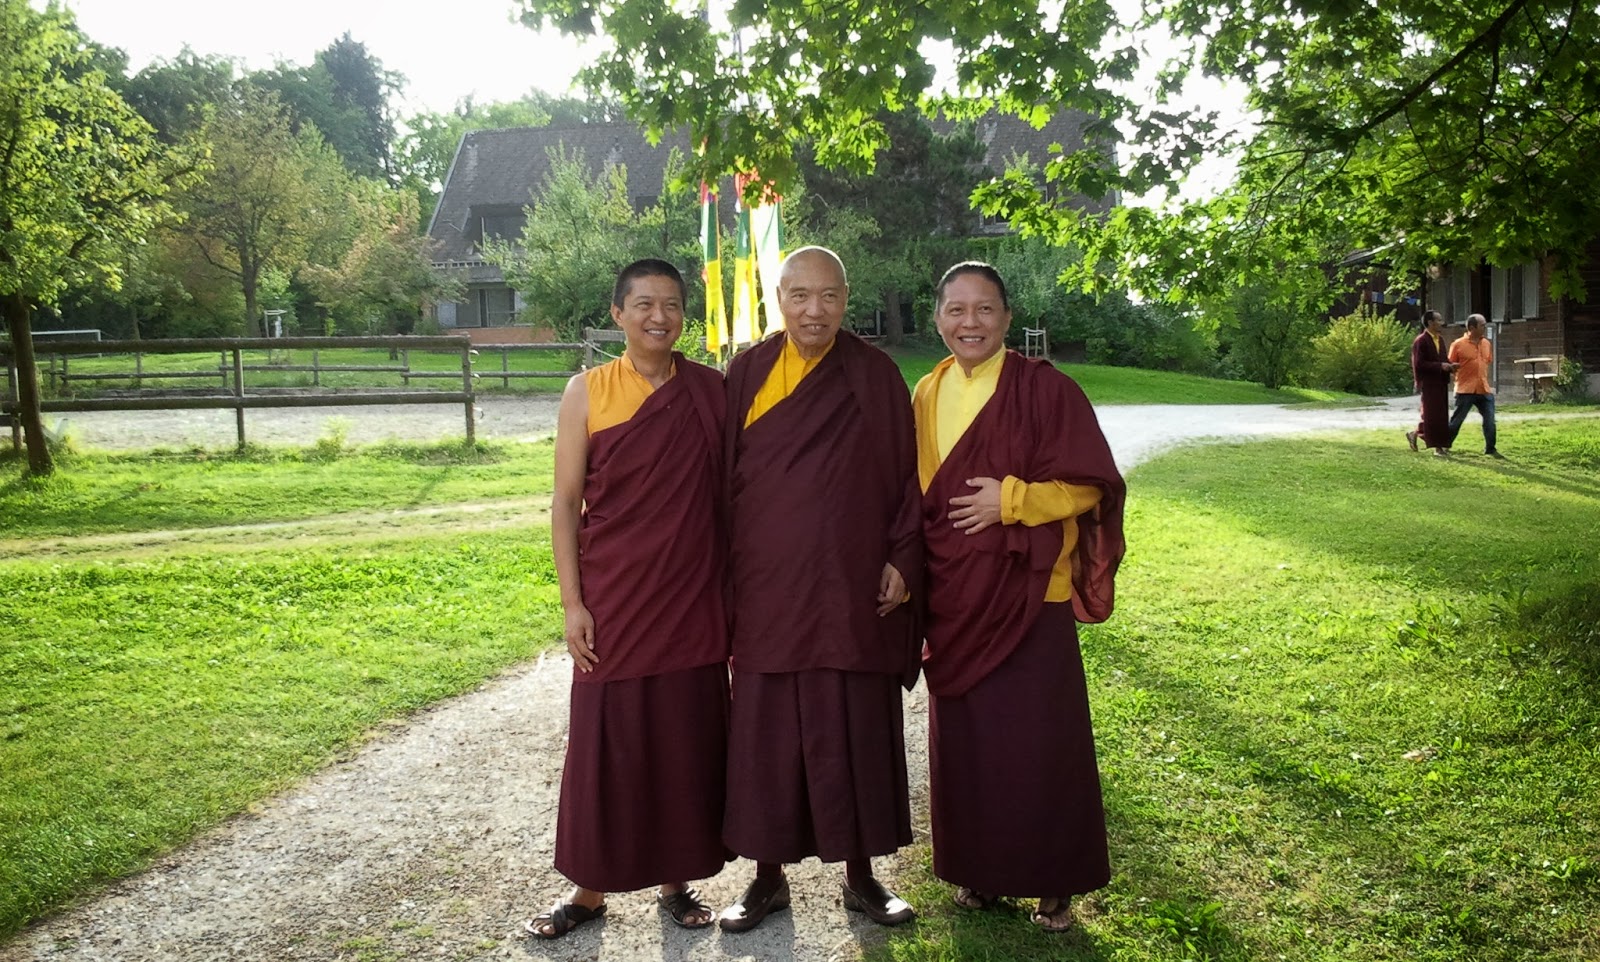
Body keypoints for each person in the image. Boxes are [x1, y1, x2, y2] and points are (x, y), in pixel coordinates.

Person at [912, 262, 1125, 933]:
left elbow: (1090, 484)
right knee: (970, 743)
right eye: (956, 310)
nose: (968, 323)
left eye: (984, 310)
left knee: (1040, 740)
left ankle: (1053, 883)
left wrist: (1014, 501)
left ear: (1007, 319)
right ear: (938, 317)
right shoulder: (924, 392)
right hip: (955, 593)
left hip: (1034, 589)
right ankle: (979, 871)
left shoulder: (1045, 389)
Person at [717, 246, 923, 933]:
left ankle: (862, 877)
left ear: (846, 296)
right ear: (780, 297)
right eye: (800, 295)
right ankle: (767, 879)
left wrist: (903, 556)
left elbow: (907, 479)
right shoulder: (747, 372)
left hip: (851, 583)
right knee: (767, 733)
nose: (815, 310)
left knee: (855, 725)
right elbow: (722, 483)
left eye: (829, 295)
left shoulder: (876, 373)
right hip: (769, 584)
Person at [528, 259, 730, 939]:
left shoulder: (710, 391)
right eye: (644, 304)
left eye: (672, 305)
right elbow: (563, 503)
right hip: (614, 596)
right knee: (607, 741)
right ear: (617, 314)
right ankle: (589, 889)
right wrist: (572, 602)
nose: (659, 318)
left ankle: (677, 881)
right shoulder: (587, 391)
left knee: (683, 738)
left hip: (693, 597)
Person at [1447, 313, 1502, 457]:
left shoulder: (1486, 343)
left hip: (1483, 388)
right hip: (1465, 389)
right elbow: (1450, 365)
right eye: (1482, 325)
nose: (1485, 327)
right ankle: (1444, 445)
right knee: (1457, 420)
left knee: (1490, 419)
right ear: (1472, 327)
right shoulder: (1458, 344)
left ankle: (1491, 448)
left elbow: (1487, 362)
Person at [1406, 310, 1457, 458]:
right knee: (1432, 415)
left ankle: (1415, 434)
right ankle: (1437, 447)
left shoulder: (1439, 339)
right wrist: (1440, 366)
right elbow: (1419, 364)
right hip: (1429, 383)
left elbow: (1442, 358)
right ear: (1430, 323)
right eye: (1439, 320)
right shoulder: (1421, 340)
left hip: (1440, 381)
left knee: (1439, 415)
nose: (1442, 323)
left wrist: (1451, 366)